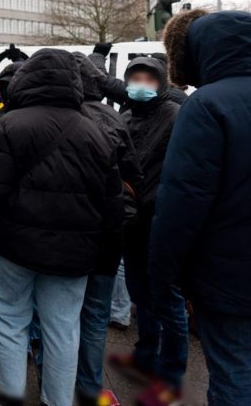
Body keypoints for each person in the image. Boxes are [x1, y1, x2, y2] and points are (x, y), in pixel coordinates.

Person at [0, 49, 123, 406]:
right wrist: (108, 260)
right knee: (64, 330)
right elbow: (113, 206)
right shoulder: (95, 132)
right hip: (74, 256)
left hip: (12, 249)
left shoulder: (7, 125)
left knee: (8, 325)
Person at [152, 9, 251, 405]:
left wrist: (163, 274)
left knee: (234, 374)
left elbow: (182, 201)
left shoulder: (208, 105)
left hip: (229, 277)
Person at [110, 56, 187, 404]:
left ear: (160, 82)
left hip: (159, 220)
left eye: (147, 78)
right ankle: (145, 356)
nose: (140, 84)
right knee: (140, 293)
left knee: (168, 300)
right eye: (134, 78)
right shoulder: (124, 117)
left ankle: (171, 375)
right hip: (131, 223)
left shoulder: (173, 116)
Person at [72, 54, 143, 406]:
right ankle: (90, 385)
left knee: (62, 314)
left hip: (68, 233)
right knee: (96, 315)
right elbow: (133, 176)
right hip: (106, 232)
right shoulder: (112, 117)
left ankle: (56, 380)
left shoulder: (62, 117)